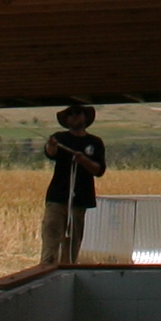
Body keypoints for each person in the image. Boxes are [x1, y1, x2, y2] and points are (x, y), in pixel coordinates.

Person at [39, 103, 106, 266]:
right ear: (67, 119)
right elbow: (51, 153)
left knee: (73, 241)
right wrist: (51, 145)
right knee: (51, 236)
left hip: (80, 198)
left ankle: (68, 268)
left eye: (78, 113)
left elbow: (99, 170)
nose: (74, 116)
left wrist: (83, 161)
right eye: (71, 114)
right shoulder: (60, 138)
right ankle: (47, 268)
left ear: (85, 117)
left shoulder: (94, 142)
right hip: (57, 196)